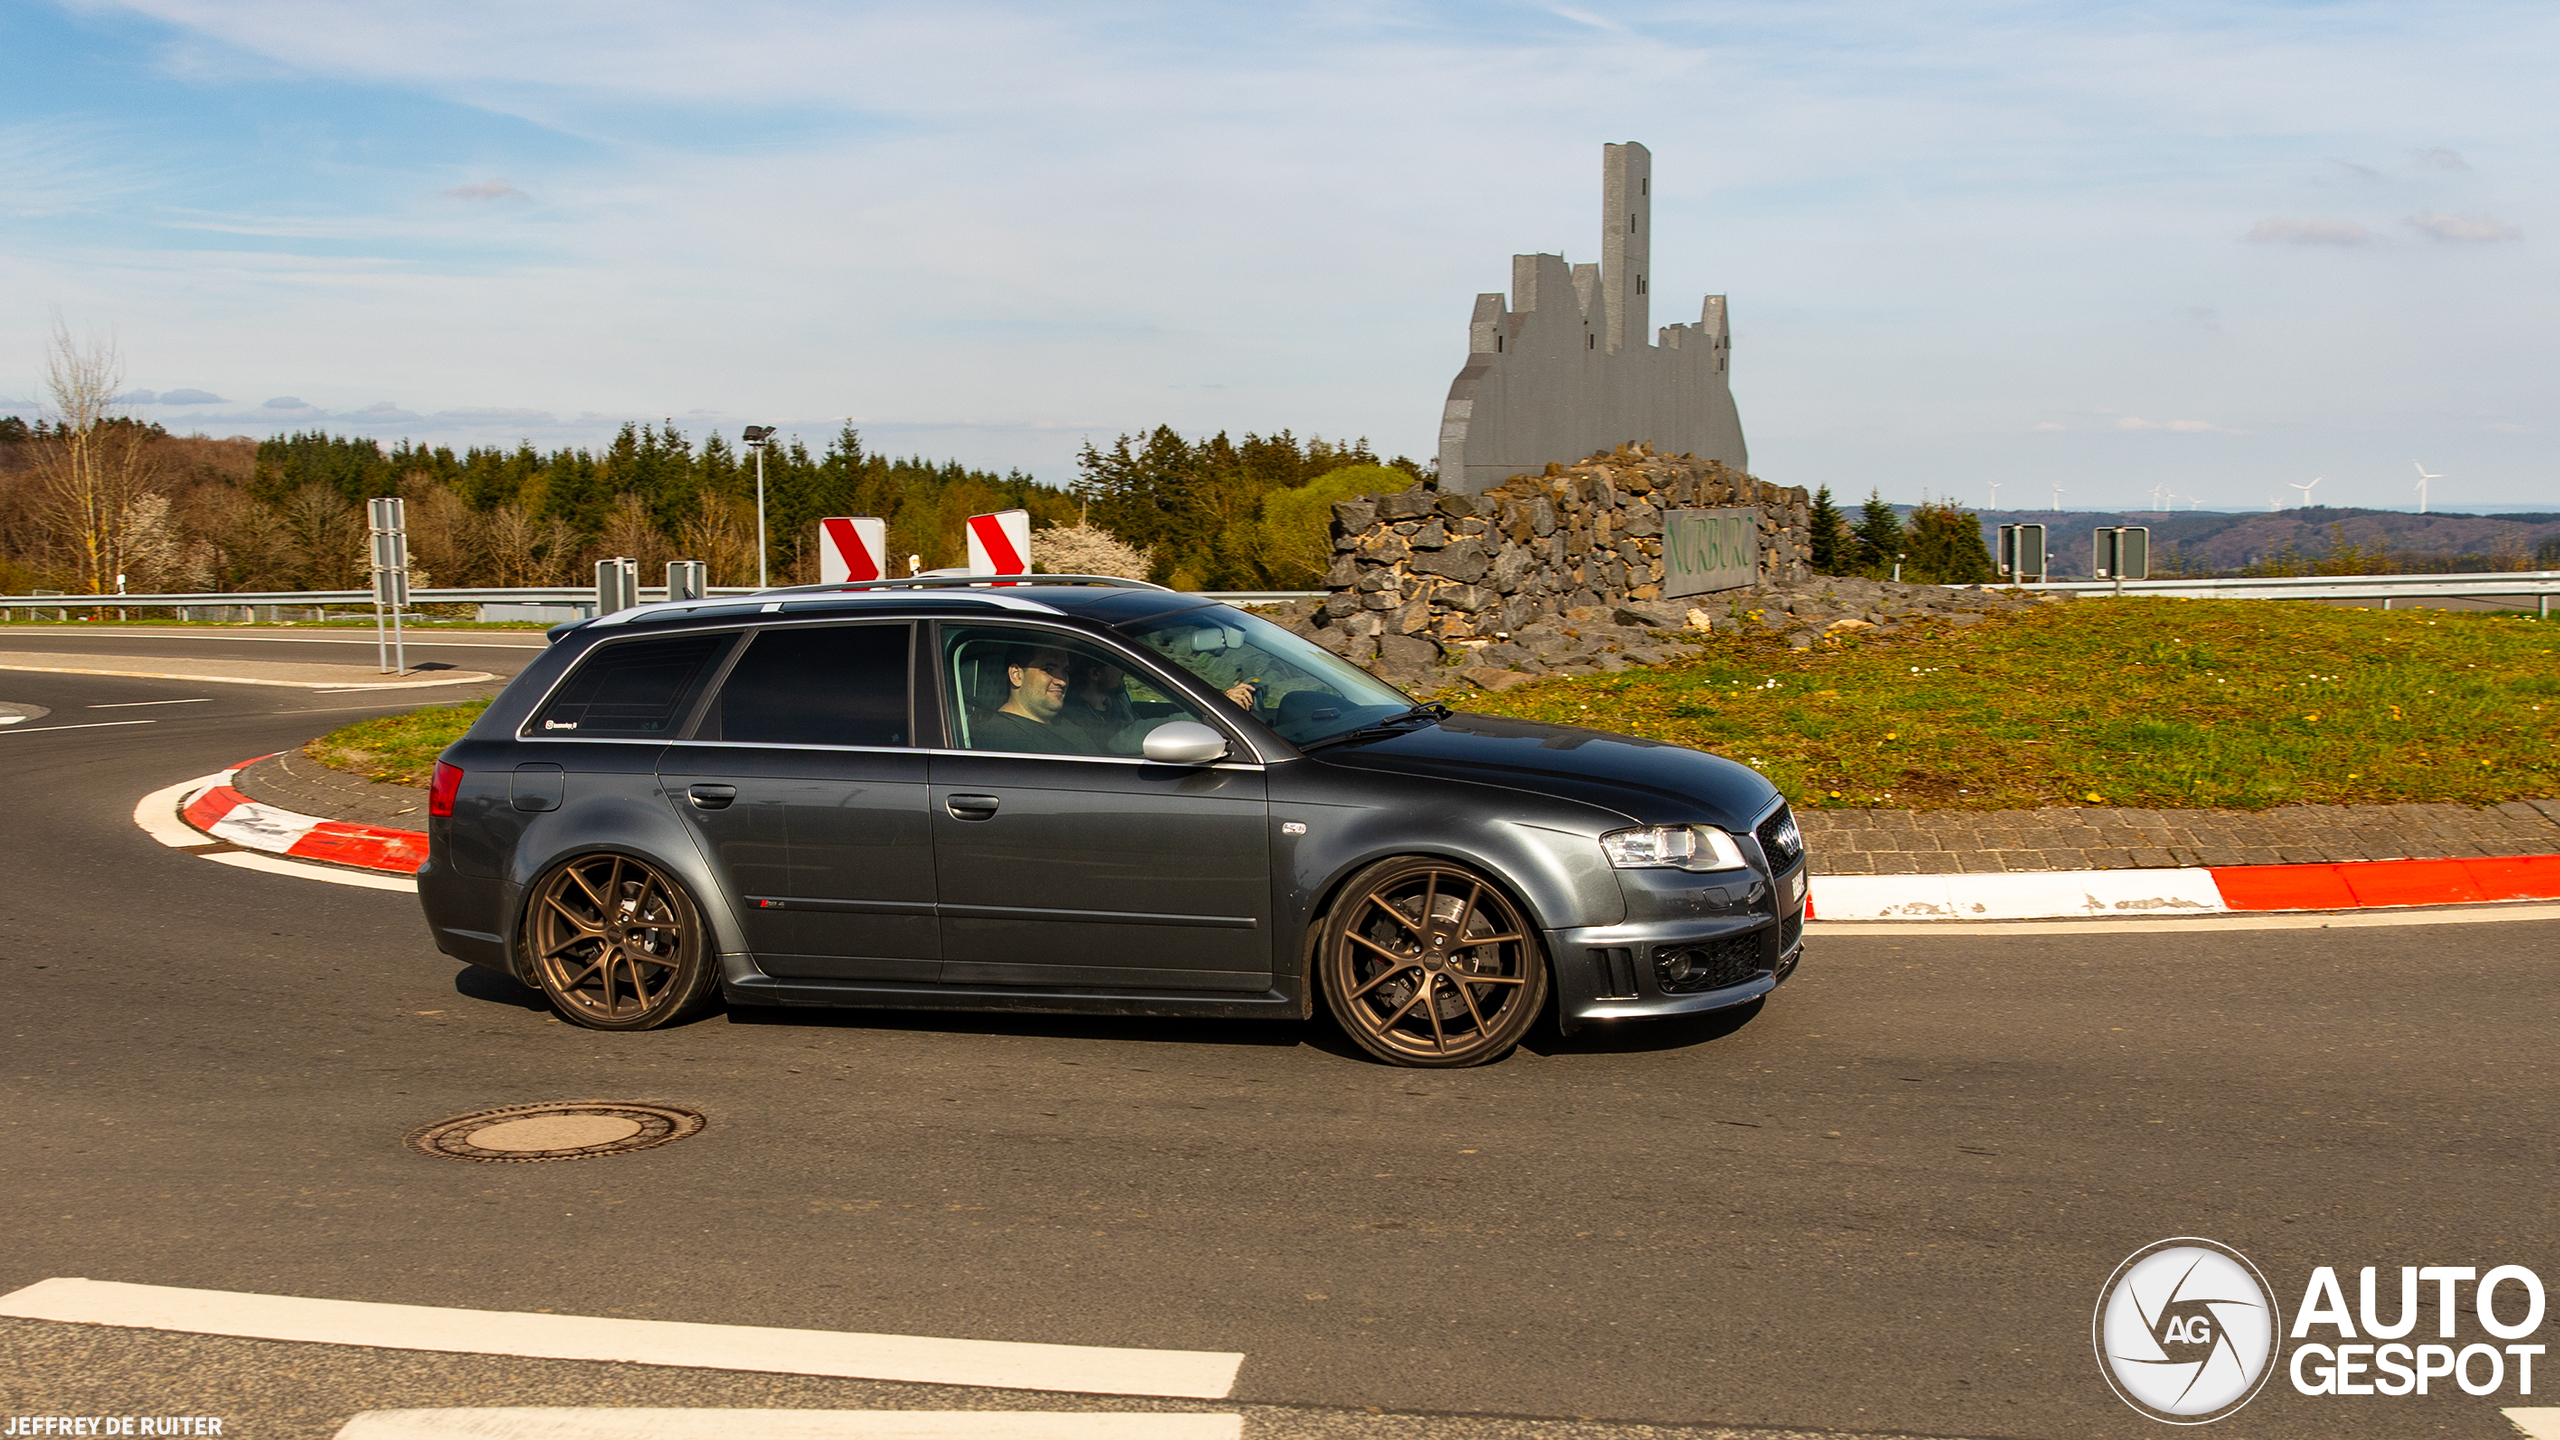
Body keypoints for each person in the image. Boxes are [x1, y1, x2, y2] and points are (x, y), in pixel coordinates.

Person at [970, 644, 1104, 755]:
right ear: (1016, 675)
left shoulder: (1065, 724)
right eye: (1048, 669)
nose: (1062, 681)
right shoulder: (1003, 738)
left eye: (1065, 671)